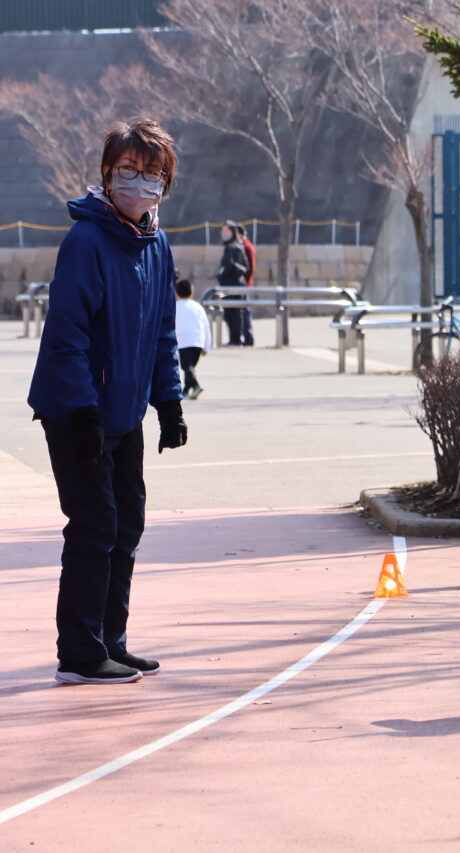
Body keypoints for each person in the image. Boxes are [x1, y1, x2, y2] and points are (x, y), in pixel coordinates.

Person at [28, 117, 188, 685]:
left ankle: (109, 641)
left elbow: (163, 331)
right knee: (95, 525)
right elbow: (68, 334)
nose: (140, 183)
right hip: (77, 413)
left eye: (152, 174)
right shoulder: (86, 242)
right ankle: (79, 652)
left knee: (128, 524)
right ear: (106, 173)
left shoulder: (155, 244)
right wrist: (84, 410)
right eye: (129, 171)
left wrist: (169, 401)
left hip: (124, 413)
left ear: (165, 185)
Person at [175, 278, 212, 400]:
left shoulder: (175, 307)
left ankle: (195, 386)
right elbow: (206, 326)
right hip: (198, 342)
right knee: (189, 367)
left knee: (187, 367)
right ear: (192, 293)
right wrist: (207, 345)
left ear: (176, 293)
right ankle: (186, 390)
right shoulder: (198, 307)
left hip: (183, 342)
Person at [218, 220, 252, 346]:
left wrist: (228, 270)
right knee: (229, 314)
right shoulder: (229, 247)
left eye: (226, 231)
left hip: (235, 286)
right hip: (228, 287)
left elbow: (245, 267)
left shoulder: (235, 247)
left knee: (235, 314)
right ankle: (233, 338)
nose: (223, 234)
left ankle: (235, 339)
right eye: (222, 231)